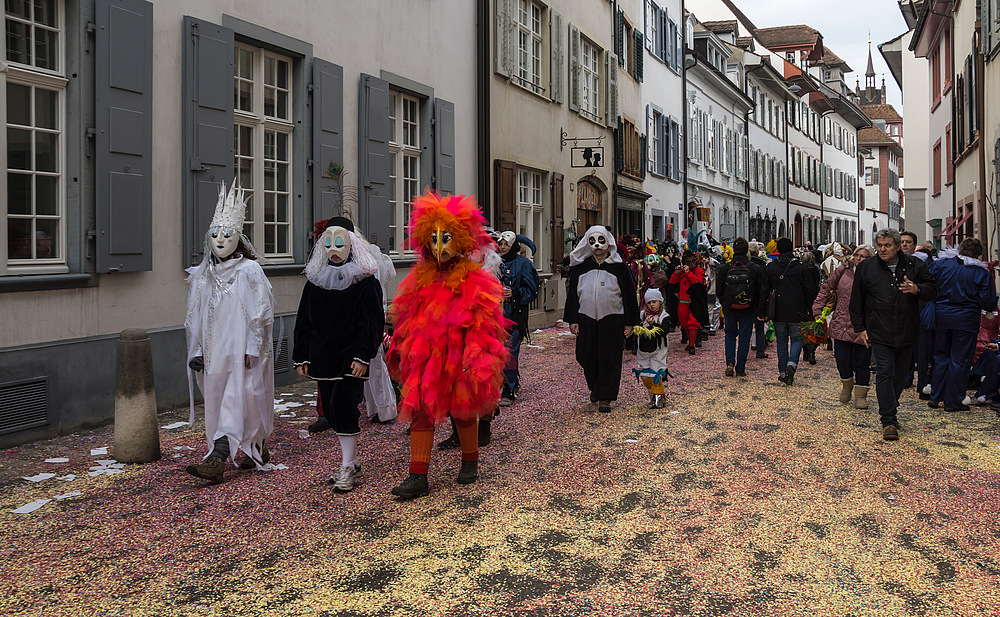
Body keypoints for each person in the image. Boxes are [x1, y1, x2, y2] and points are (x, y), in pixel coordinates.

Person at [386, 193, 508, 499]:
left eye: (447, 237)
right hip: (426, 358)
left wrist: (476, 355)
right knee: (420, 410)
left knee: (464, 409)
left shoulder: (474, 280)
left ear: (461, 240)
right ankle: (418, 475)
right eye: (435, 238)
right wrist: (400, 342)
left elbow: (485, 322)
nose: (440, 246)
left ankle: (470, 461)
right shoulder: (419, 280)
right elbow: (408, 316)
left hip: (461, 356)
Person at [185, 182, 275, 483]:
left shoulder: (249, 272)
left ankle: (218, 457)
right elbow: (195, 315)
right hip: (215, 351)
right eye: (215, 234)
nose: (220, 240)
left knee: (240, 397)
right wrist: (197, 350)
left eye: (227, 235)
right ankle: (255, 447)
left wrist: (253, 347)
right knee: (220, 399)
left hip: (241, 350)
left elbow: (260, 313)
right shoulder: (203, 275)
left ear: (238, 238)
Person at [293, 217, 385, 493]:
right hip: (323, 355)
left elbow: (372, 320)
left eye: (340, 242)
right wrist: (302, 356)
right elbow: (304, 320)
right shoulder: (315, 282)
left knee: (344, 408)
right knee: (332, 412)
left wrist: (362, 355)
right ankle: (352, 461)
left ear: (351, 245)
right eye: (329, 243)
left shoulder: (365, 282)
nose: (334, 248)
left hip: (350, 356)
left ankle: (347, 466)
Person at [849, 229, 937, 441]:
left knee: (899, 376)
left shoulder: (914, 265)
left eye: (887, 245)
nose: (882, 249)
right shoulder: (867, 267)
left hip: (906, 329)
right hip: (878, 330)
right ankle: (888, 420)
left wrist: (917, 289)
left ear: (898, 246)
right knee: (885, 373)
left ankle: (890, 404)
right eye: (879, 245)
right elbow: (856, 300)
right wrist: (860, 328)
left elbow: (933, 288)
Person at [564, 226, 639, 413]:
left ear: (608, 242)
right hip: (586, 318)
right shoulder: (580, 269)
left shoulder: (620, 269)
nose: (597, 245)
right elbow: (572, 295)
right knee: (585, 355)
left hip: (612, 319)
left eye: (601, 241)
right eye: (593, 241)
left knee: (609, 358)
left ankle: (605, 396)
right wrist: (573, 319)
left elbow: (630, 296)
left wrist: (630, 322)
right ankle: (595, 387)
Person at [927, 238, 998, 411]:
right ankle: (953, 400)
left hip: (942, 315)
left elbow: (929, 282)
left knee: (941, 356)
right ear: (978, 254)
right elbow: (987, 301)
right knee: (960, 359)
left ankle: (936, 395)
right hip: (966, 318)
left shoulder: (942, 265)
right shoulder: (981, 273)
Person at [812, 244, 875, 408]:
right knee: (841, 358)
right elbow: (826, 288)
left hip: (864, 324)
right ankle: (847, 384)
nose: (859, 259)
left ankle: (861, 395)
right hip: (842, 321)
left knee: (862, 361)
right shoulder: (843, 270)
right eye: (857, 255)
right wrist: (817, 310)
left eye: (863, 256)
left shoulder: (875, 274)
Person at [759, 238, 818, 385]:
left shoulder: (771, 267)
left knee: (782, 341)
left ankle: (782, 372)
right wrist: (811, 308)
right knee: (797, 339)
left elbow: (764, 290)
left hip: (778, 310)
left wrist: (761, 310)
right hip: (798, 309)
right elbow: (809, 290)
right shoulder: (801, 267)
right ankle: (792, 364)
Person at [497, 231, 540, 406]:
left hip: (514, 318)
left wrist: (514, 293)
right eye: (500, 244)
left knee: (509, 353)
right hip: (493, 318)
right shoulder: (493, 263)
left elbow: (532, 291)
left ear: (513, 246)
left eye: (506, 244)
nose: (502, 247)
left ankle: (509, 389)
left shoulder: (523, 265)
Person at [716, 238, 765, 377]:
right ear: (746, 251)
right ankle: (741, 367)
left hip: (730, 307)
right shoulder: (754, 268)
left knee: (730, 335)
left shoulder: (726, 268)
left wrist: (725, 302)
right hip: (748, 307)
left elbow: (719, 289)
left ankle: (730, 363)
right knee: (744, 337)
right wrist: (757, 307)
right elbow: (760, 290)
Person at [634, 289, 670, 409]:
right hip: (643, 349)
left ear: (660, 301)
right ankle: (652, 397)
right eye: (649, 302)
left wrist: (654, 324)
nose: (652, 305)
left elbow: (664, 331)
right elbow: (636, 328)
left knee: (656, 373)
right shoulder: (642, 315)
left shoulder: (664, 316)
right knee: (645, 375)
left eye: (654, 302)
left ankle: (659, 399)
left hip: (658, 350)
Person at [670, 253, 705, 354]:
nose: (690, 264)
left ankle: (692, 345)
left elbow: (697, 282)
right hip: (682, 301)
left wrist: (688, 272)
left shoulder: (699, 271)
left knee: (693, 323)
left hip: (694, 301)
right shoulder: (681, 271)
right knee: (684, 323)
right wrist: (676, 273)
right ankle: (690, 342)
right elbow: (672, 282)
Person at [798, 251, 822, 365]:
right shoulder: (816, 271)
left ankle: (806, 352)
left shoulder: (801, 270)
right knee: (813, 328)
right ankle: (812, 351)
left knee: (803, 328)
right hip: (814, 301)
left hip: (803, 302)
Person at [749, 242, 770, 358]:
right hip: (759, 298)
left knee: (746, 326)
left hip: (746, 298)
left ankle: (745, 348)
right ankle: (760, 350)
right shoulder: (762, 266)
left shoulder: (744, 264)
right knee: (760, 326)